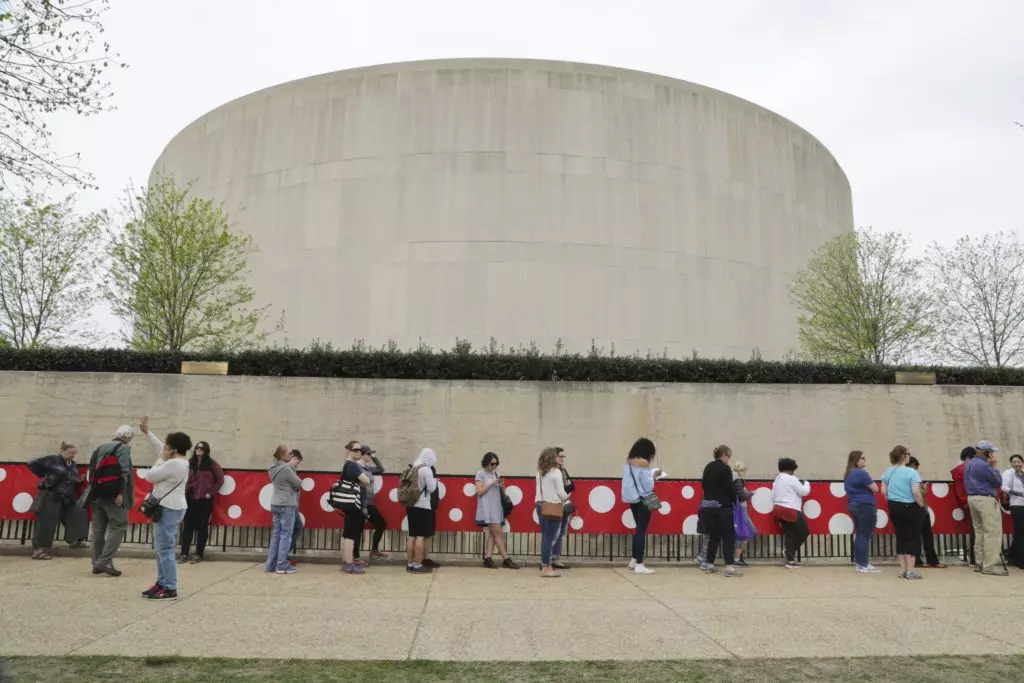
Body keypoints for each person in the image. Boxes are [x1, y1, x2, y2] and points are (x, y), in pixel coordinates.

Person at [138, 419, 191, 600]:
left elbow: (150, 476)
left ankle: (169, 587)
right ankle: (161, 583)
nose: (165, 449)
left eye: (168, 447)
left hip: (168, 508)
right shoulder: (180, 461)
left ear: (173, 450)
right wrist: (148, 433)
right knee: (161, 548)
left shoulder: (173, 464)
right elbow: (161, 447)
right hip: (171, 507)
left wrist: (160, 458)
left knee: (165, 549)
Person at [79, 424, 134, 577]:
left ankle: (96, 562)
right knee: (119, 524)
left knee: (98, 529)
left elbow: (91, 469)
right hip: (113, 494)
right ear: (127, 437)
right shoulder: (123, 449)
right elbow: (124, 472)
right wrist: (121, 493)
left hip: (96, 493)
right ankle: (104, 561)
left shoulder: (100, 447)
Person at [27, 442, 89, 559]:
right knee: (46, 521)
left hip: (66, 496)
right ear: (62, 451)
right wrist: (44, 476)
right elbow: (32, 463)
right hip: (51, 494)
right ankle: (38, 549)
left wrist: (77, 479)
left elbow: (68, 477)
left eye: (74, 453)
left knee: (76, 514)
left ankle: (76, 541)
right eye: (71, 452)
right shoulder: (52, 460)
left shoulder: (73, 465)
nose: (73, 455)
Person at [880, 445, 925, 580]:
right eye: (908, 454)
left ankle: (903, 569)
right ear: (903, 456)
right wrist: (922, 505)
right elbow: (916, 492)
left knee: (901, 537)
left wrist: (891, 500)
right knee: (912, 537)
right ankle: (911, 570)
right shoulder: (912, 472)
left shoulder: (888, 471)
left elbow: (883, 491)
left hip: (894, 505)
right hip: (910, 506)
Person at [621, 437, 662, 575]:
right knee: (641, 530)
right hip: (644, 500)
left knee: (638, 528)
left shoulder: (629, 462)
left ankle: (634, 559)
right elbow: (648, 485)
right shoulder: (643, 462)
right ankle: (639, 563)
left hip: (632, 499)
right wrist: (654, 475)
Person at [965, 440, 1007, 576]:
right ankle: (989, 565)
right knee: (992, 531)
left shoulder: (969, 463)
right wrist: (994, 467)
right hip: (985, 498)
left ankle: (979, 562)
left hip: (972, 497)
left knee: (980, 531)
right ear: (987, 453)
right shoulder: (985, 465)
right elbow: (997, 482)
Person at [179, 440, 224, 564]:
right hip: (190, 498)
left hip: (204, 499)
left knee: (202, 526)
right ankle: (184, 553)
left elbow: (220, 480)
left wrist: (210, 493)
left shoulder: (212, 464)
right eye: (197, 448)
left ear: (206, 451)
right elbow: (182, 477)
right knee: (187, 526)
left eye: (202, 448)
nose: (199, 450)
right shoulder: (189, 463)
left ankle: (198, 553)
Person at [699, 445, 741, 577]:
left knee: (713, 536)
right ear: (725, 455)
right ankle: (729, 567)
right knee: (728, 536)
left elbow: (703, 485)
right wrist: (735, 500)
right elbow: (729, 487)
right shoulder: (725, 468)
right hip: (723, 506)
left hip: (708, 506)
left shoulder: (708, 467)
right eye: (728, 456)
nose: (728, 459)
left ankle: (710, 564)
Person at [475, 452, 521, 569]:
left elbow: (502, 493)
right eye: (492, 464)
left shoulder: (496, 474)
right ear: (486, 463)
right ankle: (506, 558)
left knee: (493, 534)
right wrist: (492, 483)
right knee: (498, 533)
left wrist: (501, 485)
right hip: (487, 508)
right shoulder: (480, 474)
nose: (494, 466)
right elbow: (479, 491)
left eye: (496, 464)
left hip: (496, 507)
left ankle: (488, 558)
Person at [264, 444, 301, 575]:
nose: (292, 456)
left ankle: (270, 564)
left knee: (276, 534)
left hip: (275, 502)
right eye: (290, 453)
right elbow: (299, 483)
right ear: (282, 455)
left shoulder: (272, 468)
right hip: (287, 503)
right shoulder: (287, 468)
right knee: (286, 535)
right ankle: (282, 565)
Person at [843, 450, 880, 573]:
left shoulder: (848, 474)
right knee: (865, 534)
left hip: (853, 504)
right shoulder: (861, 473)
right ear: (857, 460)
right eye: (863, 458)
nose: (865, 460)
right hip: (865, 505)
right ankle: (864, 564)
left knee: (860, 534)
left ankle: (860, 563)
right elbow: (875, 488)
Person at [536, 447, 570, 578]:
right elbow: (561, 492)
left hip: (540, 504)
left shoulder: (539, 473)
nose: (559, 458)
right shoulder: (556, 472)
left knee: (545, 536)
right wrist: (568, 501)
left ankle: (545, 564)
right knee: (552, 537)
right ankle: (547, 566)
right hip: (553, 505)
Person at [772, 457, 810, 570]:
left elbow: (773, 496)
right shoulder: (792, 479)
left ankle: (790, 559)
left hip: (779, 509)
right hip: (791, 509)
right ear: (791, 469)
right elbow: (804, 492)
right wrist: (807, 483)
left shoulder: (777, 480)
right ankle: (789, 553)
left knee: (790, 534)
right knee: (804, 532)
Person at [908, 456, 946, 569]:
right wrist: (923, 490)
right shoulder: (913, 476)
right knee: (925, 535)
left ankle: (919, 560)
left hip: (915, 508)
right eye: (916, 466)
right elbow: (917, 493)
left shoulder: (906, 476)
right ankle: (931, 560)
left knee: (917, 536)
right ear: (913, 464)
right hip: (919, 507)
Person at [339, 441, 372, 575]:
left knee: (348, 534)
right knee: (351, 535)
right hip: (354, 504)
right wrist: (362, 482)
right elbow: (367, 481)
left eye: (360, 450)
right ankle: (349, 564)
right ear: (350, 451)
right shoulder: (352, 465)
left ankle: (346, 561)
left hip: (349, 504)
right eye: (357, 449)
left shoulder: (347, 465)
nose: (359, 452)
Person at [354, 444, 388, 562]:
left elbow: (381, 469)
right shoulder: (357, 467)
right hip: (363, 502)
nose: (369, 455)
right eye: (368, 454)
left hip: (370, 502)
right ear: (362, 454)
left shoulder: (367, 468)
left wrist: (374, 457)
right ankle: (356, 556)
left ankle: (373, 551)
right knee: (358, 529)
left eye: (370, 453)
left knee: (381, 524)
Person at [406, 448, 438, 574]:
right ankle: (418, 564)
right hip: (423, 505)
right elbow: (431, 488)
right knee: (421, 535)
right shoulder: (426, 469)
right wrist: (435, 481)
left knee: (412, 535)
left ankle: (410, 563)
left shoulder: (412, 467)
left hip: (410, 505)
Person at [951, 446, 977, 566]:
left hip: (968, 501)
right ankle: (978, 558)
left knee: (974, 531)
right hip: (981, 499)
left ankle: (973, 558)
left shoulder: (958, 470)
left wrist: (965, 503)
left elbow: (959, 490)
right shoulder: (975, 467)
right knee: (981, 531)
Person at [551, 446, 574, 569]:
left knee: (562, 532)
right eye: (560, 456)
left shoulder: (563, 471)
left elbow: (572, 486)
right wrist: (567, 485)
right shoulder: (552, 471)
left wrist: (567, 485)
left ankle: (556, 557)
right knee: (555, 532)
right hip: (555, 504)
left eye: (563, 456)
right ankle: (548, 559)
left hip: (565, 504)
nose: (562, 459)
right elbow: (561, 488)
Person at [1002, 454, 1024, 569]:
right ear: (1011, 463)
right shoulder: (1009, 473)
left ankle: (1013, 557)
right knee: (1021, 533)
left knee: (1020, 533)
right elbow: (1004, 487)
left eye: (1019, 461)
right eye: (1014, 462)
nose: (1017, 464)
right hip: (1017, 505)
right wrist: (1018, 493)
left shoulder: (1023, 473)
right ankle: (1021, 560)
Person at [731, 460, 755, 567]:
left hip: (737, 509)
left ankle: (737, 557)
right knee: (745, 533)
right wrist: (751, 493)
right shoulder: (738, 479)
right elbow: (741, 497)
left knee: (744, 533)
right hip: (741, 509)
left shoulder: (732, 478)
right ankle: (736, 558)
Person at [288, 449, 304, 566]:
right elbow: (298, 484)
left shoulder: (287, 469)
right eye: (297, 462)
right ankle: (283, 556)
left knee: (293, 528)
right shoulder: (289, 470)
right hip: (290, 504)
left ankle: (283, 555)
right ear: (294, 459)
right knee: (291, 529)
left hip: (291, 504)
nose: (297, 465)